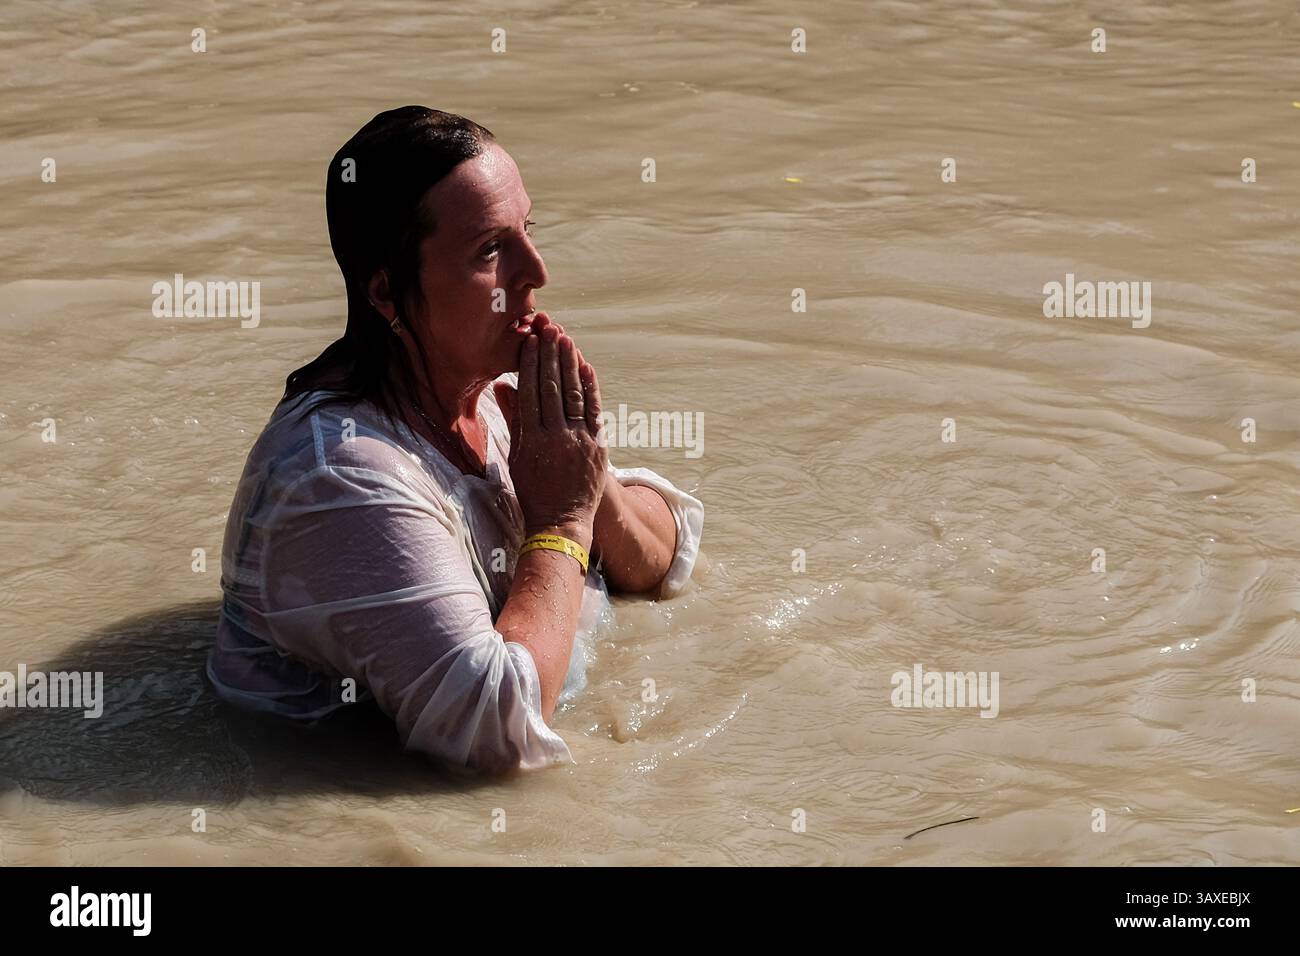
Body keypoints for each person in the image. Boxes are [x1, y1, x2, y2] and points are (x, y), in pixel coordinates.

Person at [206, 106, 704, 773]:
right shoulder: (339, 476)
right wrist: (560, 522)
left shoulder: (480, 392)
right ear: (386, 293)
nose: (537, 270)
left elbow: (663, 564)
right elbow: (493, 730)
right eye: (490, 251)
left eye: (528, 231)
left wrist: (587, 485)